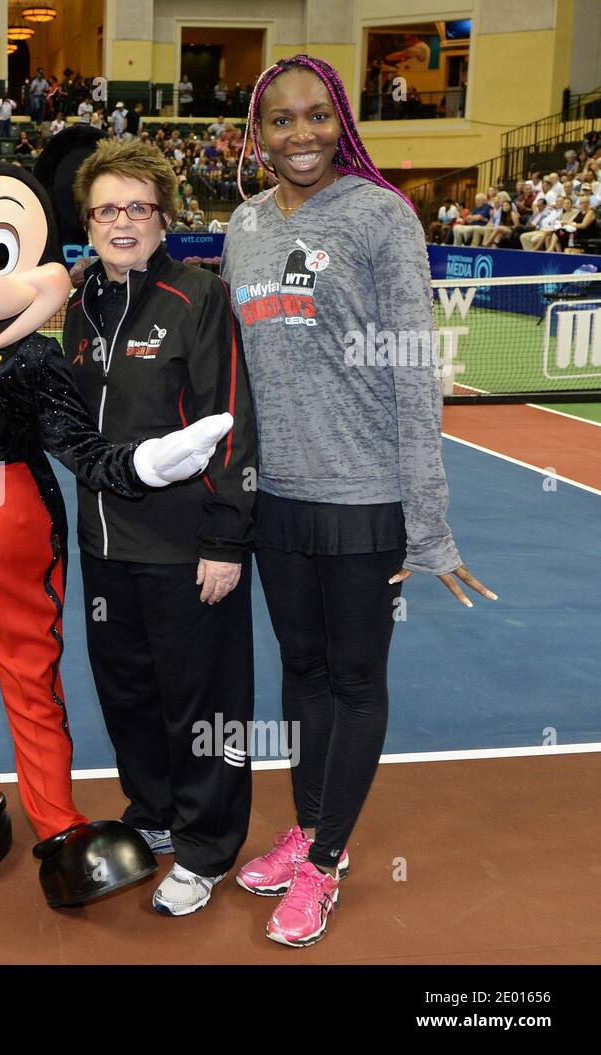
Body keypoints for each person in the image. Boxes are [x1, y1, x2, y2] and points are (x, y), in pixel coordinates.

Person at [225, 54, 495, 947]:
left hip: (364, 499)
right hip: (278, 503)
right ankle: (307, 830)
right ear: (256, 135)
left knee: (353, 678)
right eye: (280, 120)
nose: (300, 134)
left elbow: (416, 374)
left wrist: (429, 521)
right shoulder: (244, 227)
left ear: (340, 121)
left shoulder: (384, 218)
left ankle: (327, 860)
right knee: (298, 672)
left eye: (315, 116)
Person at [65, 138, 257, 915]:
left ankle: (208, 847)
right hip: (105, 548)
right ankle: (156, 813)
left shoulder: (197, 298)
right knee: (130, 695)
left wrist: (224, 540)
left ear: (163, 216)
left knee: (202, 704)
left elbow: (234, 422)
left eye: (137, 207)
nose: (122, 221)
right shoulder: (78, 305)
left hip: (186, 551)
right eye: (107, 207)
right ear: (88, 219)